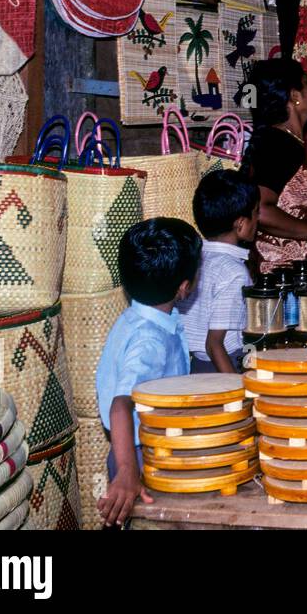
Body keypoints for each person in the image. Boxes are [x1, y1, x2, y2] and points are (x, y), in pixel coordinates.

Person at [95, 218, 201, 527]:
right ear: (184, 287)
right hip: (143, 457)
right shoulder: (150, 340)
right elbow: (120, 404)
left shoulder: (138, 319)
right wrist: (129, 472)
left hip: (134, 451)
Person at [241, 58, 307, 273]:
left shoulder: (290, 143)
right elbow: (259, 210)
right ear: (295, 96)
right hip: (283, 270)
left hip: (299, 268)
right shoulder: (278, 143)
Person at [179, 170, 258, 374]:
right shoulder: (234, 272)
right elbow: (214, 345)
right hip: (223, 365)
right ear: (240, 224)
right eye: (256, 212)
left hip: (195, 366)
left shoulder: (194, 257)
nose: (258, 219)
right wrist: (238, 392)